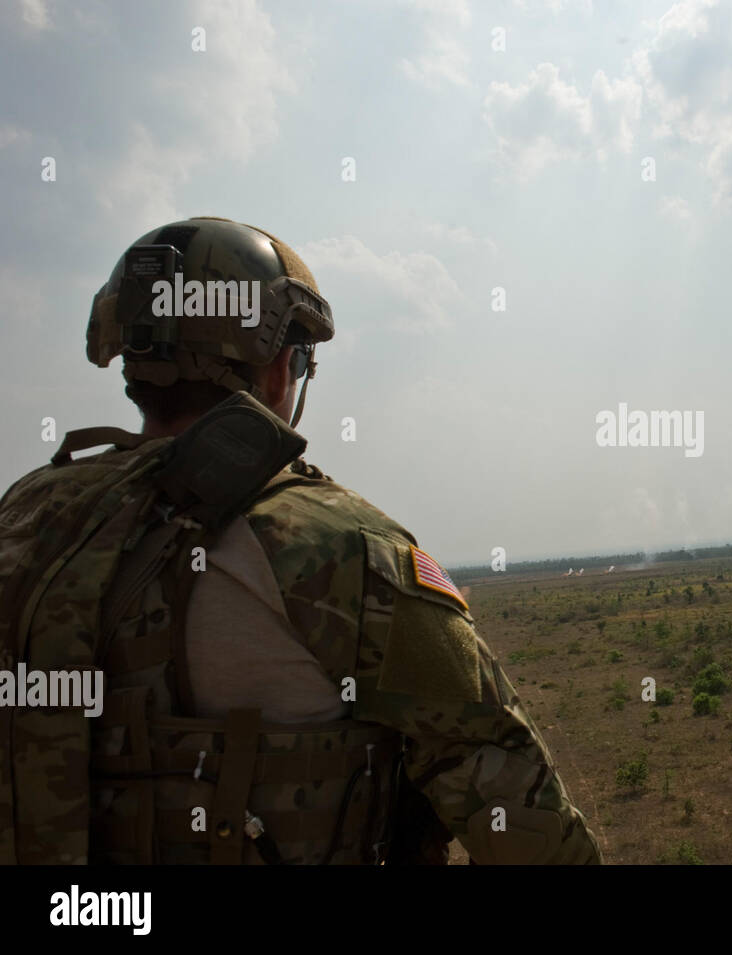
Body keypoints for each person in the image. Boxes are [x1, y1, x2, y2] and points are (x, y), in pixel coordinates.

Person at [0, 216, 601, 865]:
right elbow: (513, 807)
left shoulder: (28, 516)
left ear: (133, 366)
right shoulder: (337, 544)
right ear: (283, 369)